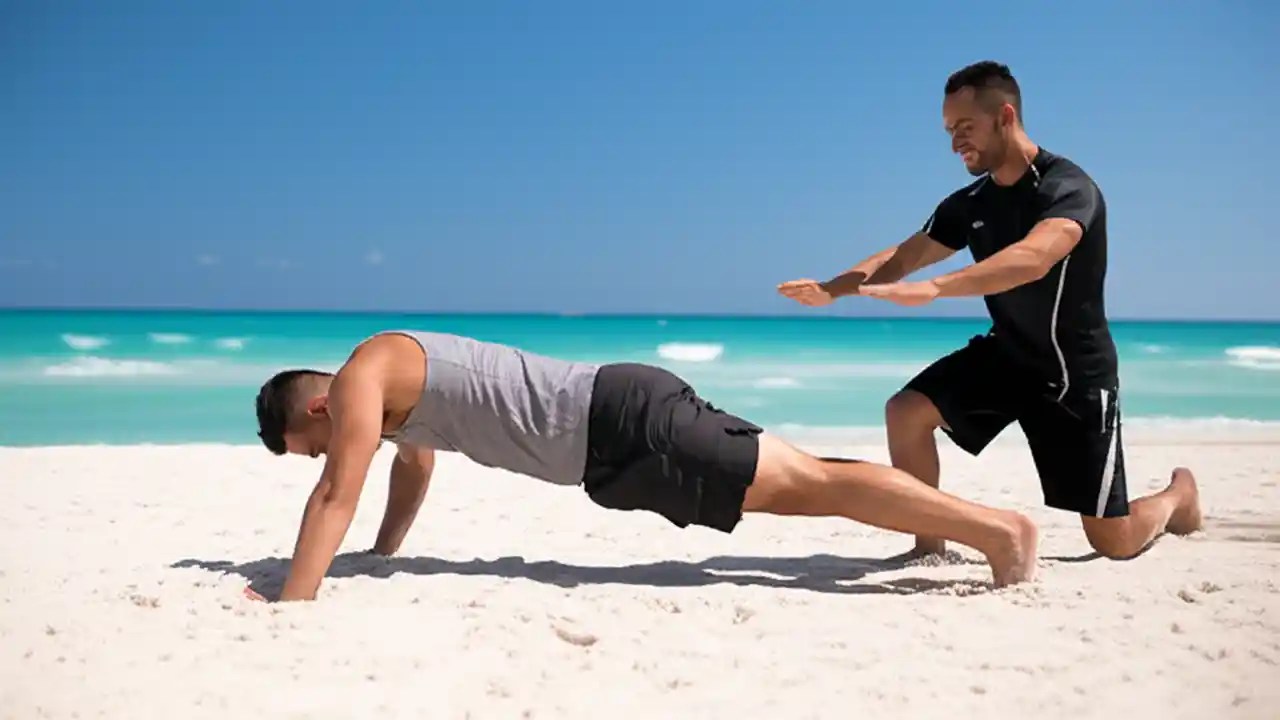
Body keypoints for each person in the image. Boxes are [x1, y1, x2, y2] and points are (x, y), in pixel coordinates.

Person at [249, 329, 1039, 602]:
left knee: (811, 486)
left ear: (316, 411)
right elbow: (413, 466)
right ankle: (975, 528)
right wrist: (387, 554)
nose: (326, 453)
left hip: (625, 426)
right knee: (804, 487)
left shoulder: (360, 378)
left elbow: (332, 495)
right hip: (617, 438)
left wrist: (296, 596)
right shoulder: (391, 383)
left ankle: (997, 531)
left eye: (311, 443)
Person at [777, 60, 1201, 561]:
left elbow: (1033, 259)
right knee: (906, 412)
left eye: (964, 127)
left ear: (1005, 115)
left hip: (1074, 372)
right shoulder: (968, 203)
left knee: (1114, 539)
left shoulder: (1067, 187)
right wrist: (834, 289)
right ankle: (927, 546)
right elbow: (903, 256)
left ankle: (1179, 497)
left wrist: (936, 289)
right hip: (1008, 355)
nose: (955, 142)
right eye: (949, 131)